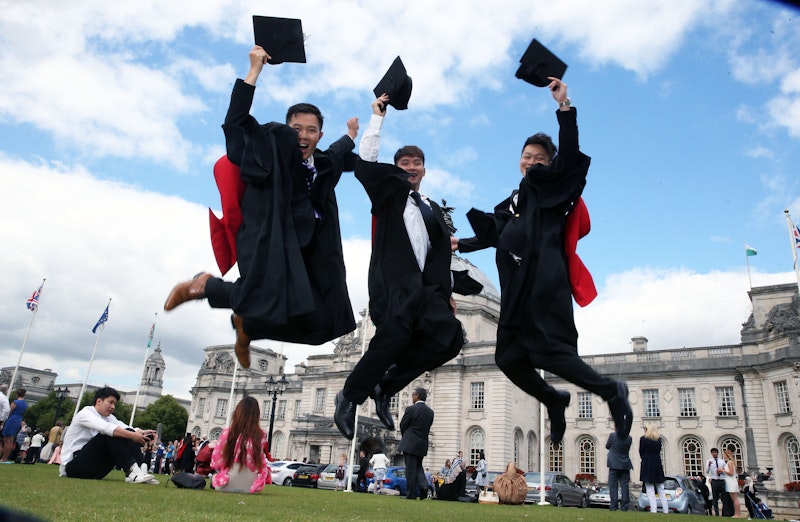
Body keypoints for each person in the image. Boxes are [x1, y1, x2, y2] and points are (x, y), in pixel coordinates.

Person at [456, 77, 633, 444]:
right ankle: (554, 398)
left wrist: (564, 108)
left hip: (543, 279)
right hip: (516, 286)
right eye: (527, 157)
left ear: (549, 165)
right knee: (507, 357)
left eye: (540, 158)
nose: (532, 162)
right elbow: (493, 234)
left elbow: (569, 159)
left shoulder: (552, 189)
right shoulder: (510, 201)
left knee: (551, 351)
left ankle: (611, 391)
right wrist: (459, 242)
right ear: (518, 161)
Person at [164, 44, 359, 368]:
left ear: (319, 134)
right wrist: (254, 71)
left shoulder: (324, 161)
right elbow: (237, 127)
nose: (303, 135)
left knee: (325, 324)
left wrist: (353, 134)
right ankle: (203, 286)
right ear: (286, 129)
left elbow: (340, 151)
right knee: (262, 295)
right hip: (271, 238)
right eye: (296, 128)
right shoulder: (271, 152)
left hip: (311, 253)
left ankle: (247, 326)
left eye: (311, 130)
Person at [334, 93, 480, 440]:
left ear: (424, 169)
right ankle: (349, 396)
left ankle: (386, 386)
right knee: (394, 336)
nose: (410, 167)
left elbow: (436, 253)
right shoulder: (388, 193)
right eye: (404, 163)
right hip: (393, 281)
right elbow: (367, 165)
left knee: (450, 338)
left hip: (426, 289)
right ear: (396, 168)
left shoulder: (431, 208)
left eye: (416, 163)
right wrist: (377, 118)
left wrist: (447, 292)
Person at [59, 386, 156, 484]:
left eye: (114, 404)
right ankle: (131, 470)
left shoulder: (109, 418)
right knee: (111, 434)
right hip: (73, 467)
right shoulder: (85, 414)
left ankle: (140, 470)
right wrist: (133, 435)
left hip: (94, 468)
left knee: (127, 431)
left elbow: (127, 428)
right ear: (99, 401)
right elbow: (107, 429)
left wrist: (145, 434)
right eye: (110, 402)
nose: (113, 407)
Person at [210, 396, 272, 493]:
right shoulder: (261, 435)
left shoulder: (228, 433)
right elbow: (260, 461)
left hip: (226, 484)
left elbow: (216, 461)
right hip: (250, 487)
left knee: (214, 477)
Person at [398, 387, 433, 500]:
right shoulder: (430, 412)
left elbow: (403, 425)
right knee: (418, 467)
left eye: (413, 394)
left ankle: (411, 494)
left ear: (417, 395)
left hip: (410, 443)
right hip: (422, 444)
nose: (412, 396)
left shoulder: (411, 409)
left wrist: (406, 437)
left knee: (410, 470)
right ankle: (424, 486)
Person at [639, 423, 668, 514]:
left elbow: (641, 451)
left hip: (647, 463)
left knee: (650, 488)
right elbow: (659, 450)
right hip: (657, 463)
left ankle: (654, 509)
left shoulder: (643, 439)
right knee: (661, 488)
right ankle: (665, 510)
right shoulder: (658, 439)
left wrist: (645, 458)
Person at [606, 430, 633, 511]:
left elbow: (607, 446)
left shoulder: (613, 435)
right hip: (625, 464)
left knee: (613, 486)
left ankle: (614, 506)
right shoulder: (629, 438)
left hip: (614, 464)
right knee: (625, 486)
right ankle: (625, 507)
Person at [1, 388, 28, 463]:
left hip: (12, 419)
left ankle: (3, 458)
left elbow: (9, 411)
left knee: (7, 440)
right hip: (18, 420)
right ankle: (5, 458)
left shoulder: (15, 402)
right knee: (10, 440)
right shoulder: (24, 404)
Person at [706, 447, 727, 516]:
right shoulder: (709, 461)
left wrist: (722, 470)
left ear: (717, 453)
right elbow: (707, 471)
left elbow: (726, 471)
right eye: (713, 452)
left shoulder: (722, 461)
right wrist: (709, 465)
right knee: (715, 497)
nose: (714, 453)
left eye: (715, 452)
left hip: (721, 480)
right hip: (714, 480)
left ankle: (724, 513)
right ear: (711, 453)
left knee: (724, 497)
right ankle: (716, 512)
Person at [722, 446, 742, 518]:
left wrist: (723, 470)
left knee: (735, 499)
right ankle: (736, 514)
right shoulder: (731, 463)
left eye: (724, 455)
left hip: (731, 482)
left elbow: (731, 473)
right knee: (734, 499)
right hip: (730, 482)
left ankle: (737, 514)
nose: (723, 456)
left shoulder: (729, 463)